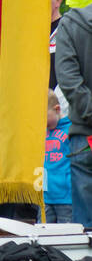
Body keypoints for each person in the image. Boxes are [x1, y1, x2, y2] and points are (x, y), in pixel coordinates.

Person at [54, 0, 92, 226]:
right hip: (84, 140)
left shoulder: (71, 23)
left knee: (86, 233)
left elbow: (68, 80)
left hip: (84, 137)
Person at [45, 89, 73, 224]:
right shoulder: (41, 130)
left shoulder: (71, 128)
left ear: (57, 109)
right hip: (44, 197)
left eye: (45, 118)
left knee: (66, 235)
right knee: (43, 235)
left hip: (66, 198)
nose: (43, 124)